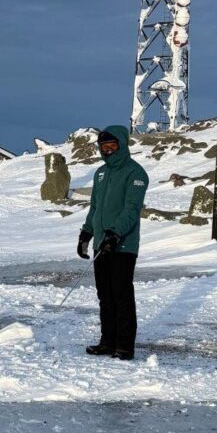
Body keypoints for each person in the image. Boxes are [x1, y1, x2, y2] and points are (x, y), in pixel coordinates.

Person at [76, 125, 149, 360]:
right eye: (103, 146)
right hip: (101, 243)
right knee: (104, 295)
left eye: (112, 145)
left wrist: (115, 233)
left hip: (123, 244)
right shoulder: (100, 173)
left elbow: (131, 209)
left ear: (122, 145)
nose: (107, 150)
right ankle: (107, 341)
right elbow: (95, 207)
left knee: (121, 294)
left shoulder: (135, 173)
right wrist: (87, 233)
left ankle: (124, 346)